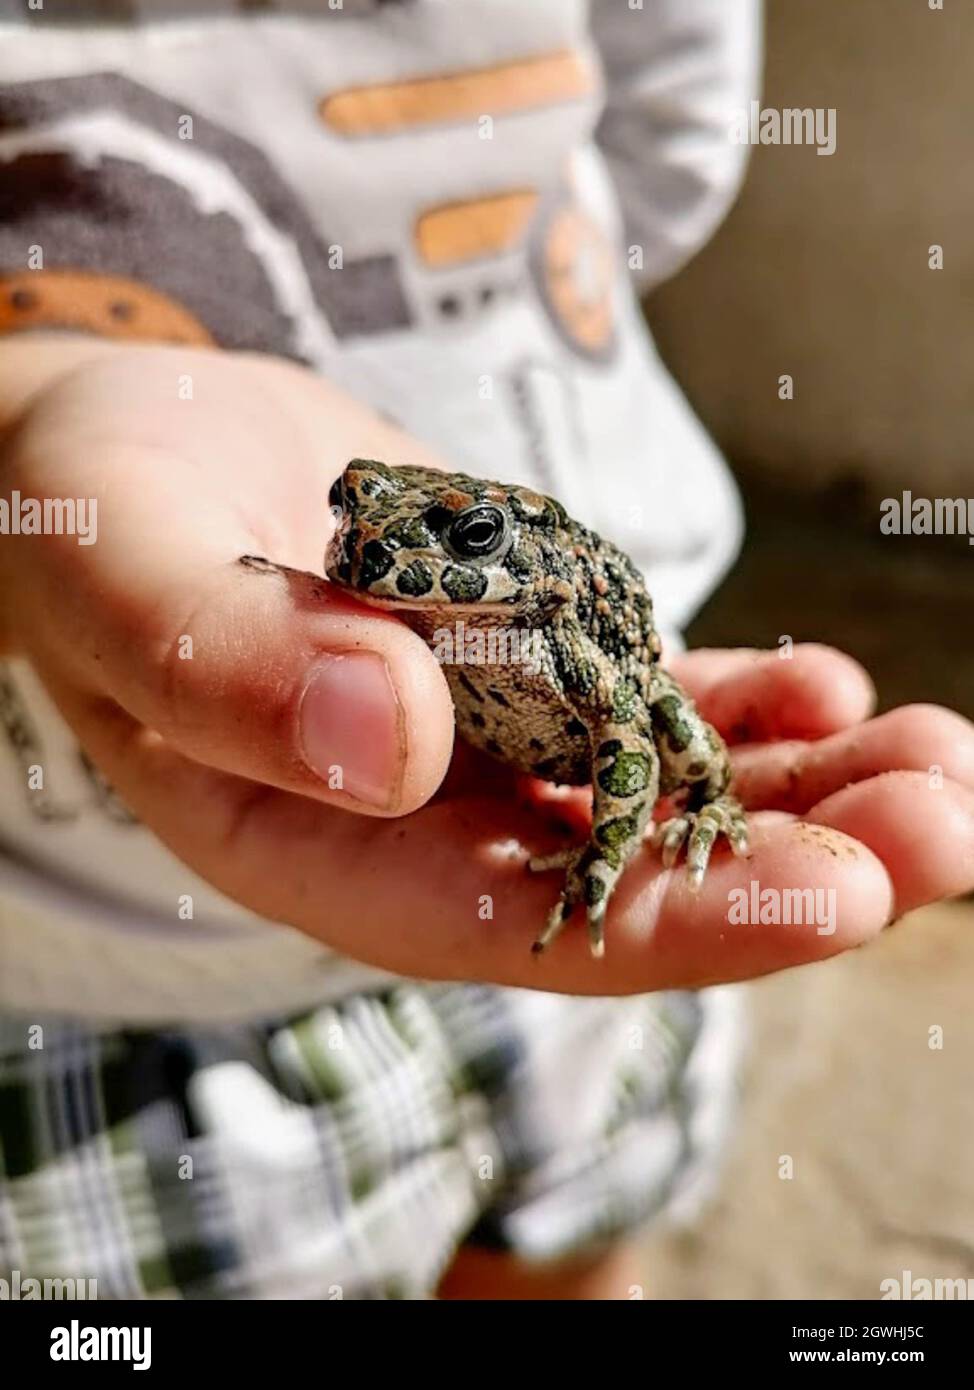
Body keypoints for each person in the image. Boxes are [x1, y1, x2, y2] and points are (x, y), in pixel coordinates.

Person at [1, 0, 972, 1301]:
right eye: (351, 522)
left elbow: (634, 727)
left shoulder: (545, 629)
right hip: (110, 981)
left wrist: (622, 833)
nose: (364, 556)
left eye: (428, 541)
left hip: (560, 915)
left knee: (572, 1226)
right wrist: (38, 416)